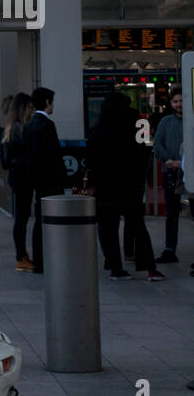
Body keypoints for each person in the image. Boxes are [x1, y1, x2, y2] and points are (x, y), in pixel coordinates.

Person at [86, 91, 164, 281]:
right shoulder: (139, 121)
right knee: (139, 228)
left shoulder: (99, 126)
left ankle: (115, 267)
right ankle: (150, 268)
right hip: (131, 186)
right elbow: (146, 150)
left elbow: (92, 159)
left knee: (108, 230)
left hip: (106, 188)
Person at [24, 86, 69, 274]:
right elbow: (53, 156)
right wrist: (63, 179)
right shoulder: (48, 125)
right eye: (52, 102)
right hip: (51, 181)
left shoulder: (30, 124)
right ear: (48, 102)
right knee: (52, 220)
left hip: (37, 180)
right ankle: (50, 259)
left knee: (39, 221)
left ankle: (38, 260)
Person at [1, 92, 35, 272]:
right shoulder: (20, 129)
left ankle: (21, 255)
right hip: (23, 178)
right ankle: (21, 256)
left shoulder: (10, 128)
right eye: (29, 107)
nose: (32, 110)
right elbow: (24, 155)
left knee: (20, 218)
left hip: (16, 177)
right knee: (22, 218)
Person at [153, 87, 187, 265]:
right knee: (171, 213)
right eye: (175, 101)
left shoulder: (192, 120)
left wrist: (183, 163)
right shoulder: (165, 121)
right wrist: (168, 161)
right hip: (171, 172)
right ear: (171, 103)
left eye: (181, 100)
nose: (179, 104)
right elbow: (158, 143)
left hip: (190, 173)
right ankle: (169, 249)